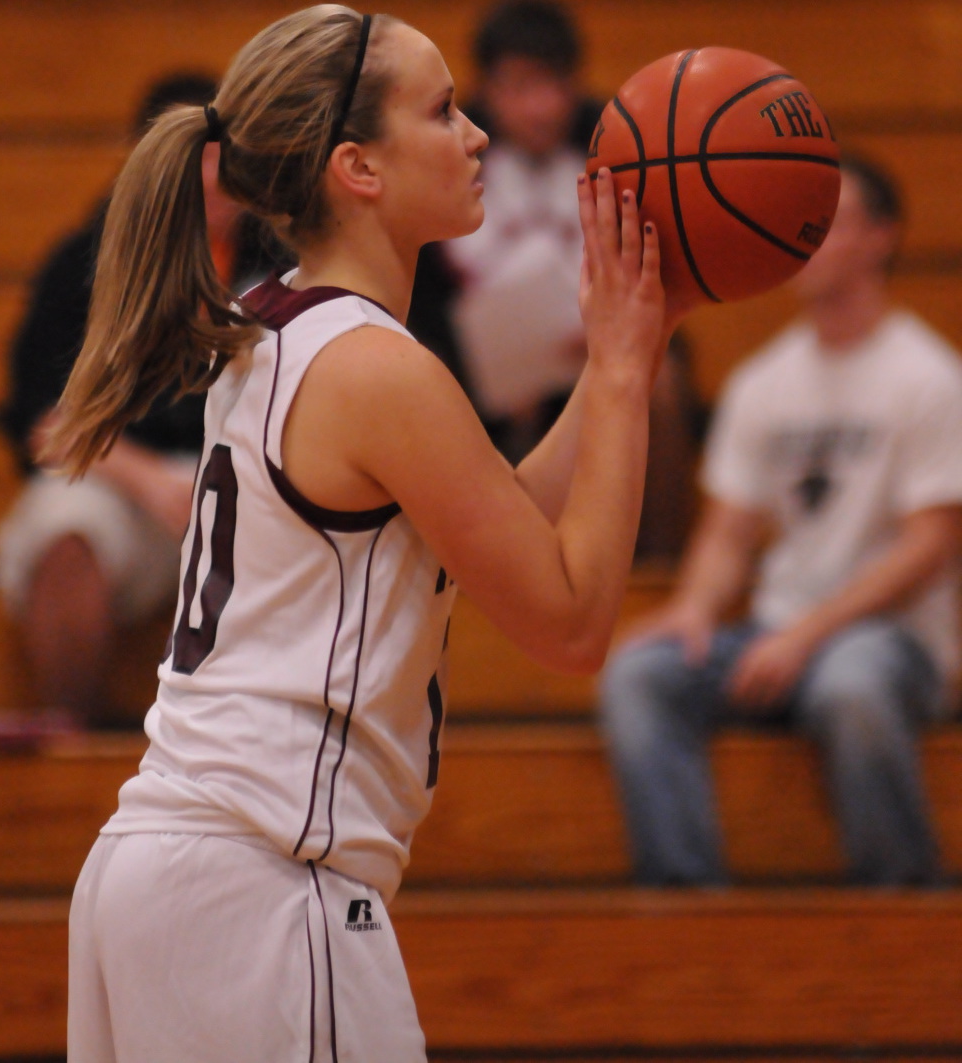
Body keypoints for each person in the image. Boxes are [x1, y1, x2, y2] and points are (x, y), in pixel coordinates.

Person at [50, 7, 668, 1059]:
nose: (474, 134)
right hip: (262, 889)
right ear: (358, 169)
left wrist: (633, 352)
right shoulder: (380, 370)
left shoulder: (275, 323)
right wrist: (614, 372)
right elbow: (568, 622)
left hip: (161, 877)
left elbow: (493, 513)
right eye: (441, 111)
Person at [599, 153, 962, 888]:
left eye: (832, 226)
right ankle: (689, 906)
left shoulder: (929, 375)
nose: (809, 242)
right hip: (776, 633)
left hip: (894, 643)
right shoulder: (763, 380)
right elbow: (729, 531)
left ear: (881, 239)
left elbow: (932, 542)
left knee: (849, 688)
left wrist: (806, 634)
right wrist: (696, 608)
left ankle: (904, 909)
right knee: (638, 674)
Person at [0, 73, 284, 729]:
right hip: (121, 478)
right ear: (146, 164)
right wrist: (148, 481)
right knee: (67, 533)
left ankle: (269, 745)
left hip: (251, 477)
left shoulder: (285, 255)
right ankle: (68, 736)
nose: (210, 179)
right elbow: (43, 422)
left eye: (221, 156)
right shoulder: (84, 262)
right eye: (190, 160)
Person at [408, 0, 704, 555]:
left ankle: (658, 573)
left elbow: (663, 275)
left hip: (606, 353)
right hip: (480, 380)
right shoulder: (446, 152)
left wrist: (617, 346)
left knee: (661, 386)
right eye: (519, 88)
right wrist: (481, 377)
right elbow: (419, 301)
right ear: (487, 89)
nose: (541, 108)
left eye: (553, 86)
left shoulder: (624, 149)